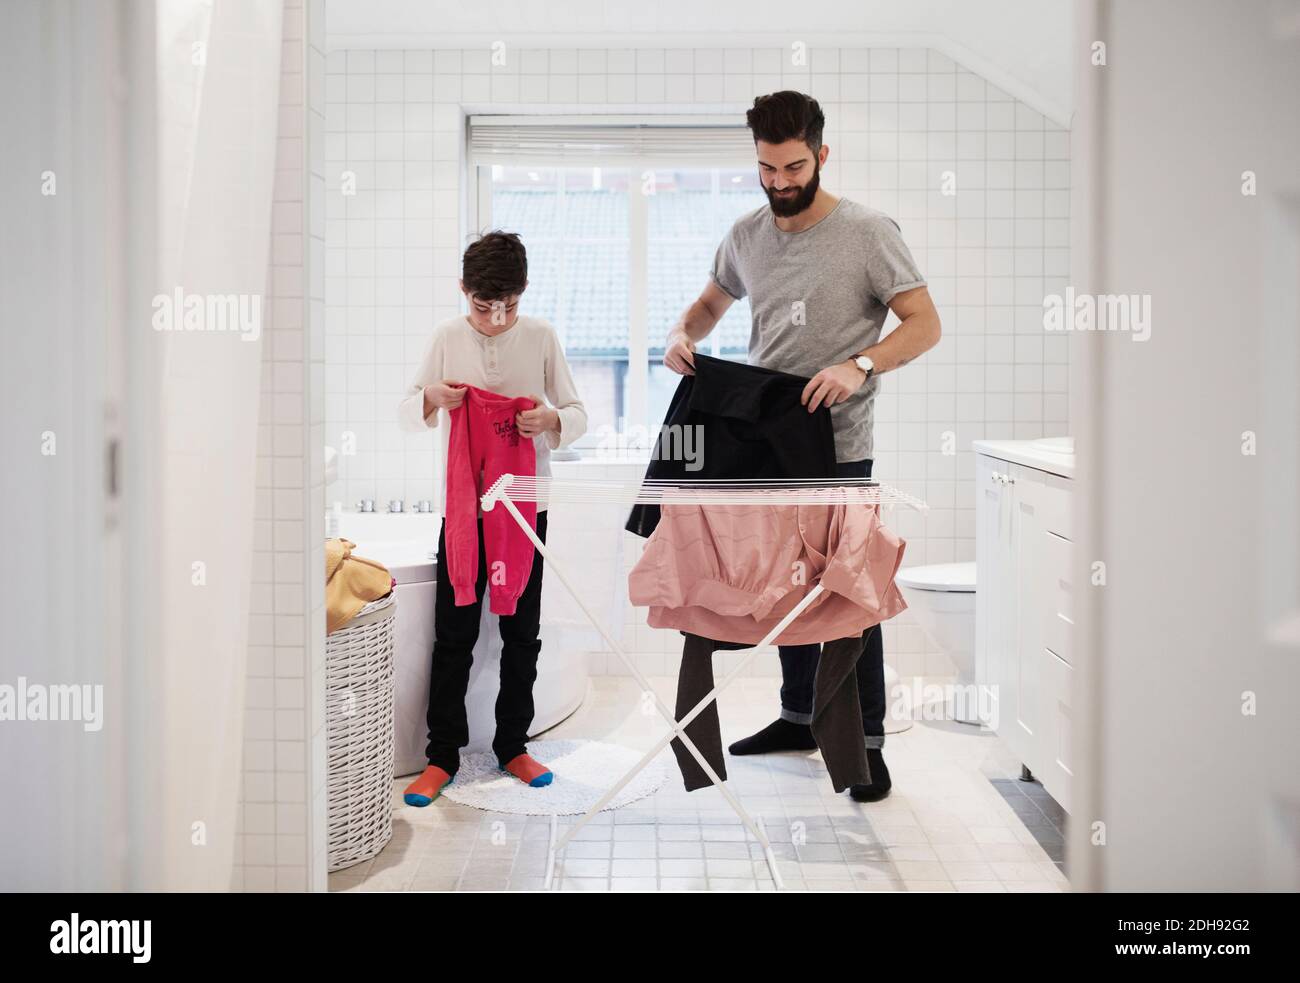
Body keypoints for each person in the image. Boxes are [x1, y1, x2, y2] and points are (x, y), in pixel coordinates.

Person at [662, 91, 941, 802]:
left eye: (793, 166)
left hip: (839, 441)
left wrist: (861, 365)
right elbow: (707, 305)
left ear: (821, 154)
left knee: (850, 589)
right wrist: (681, 336)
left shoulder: (868, 232)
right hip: (764, 438)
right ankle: (795, 717)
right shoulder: (747, 234)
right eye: (766, 168)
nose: (780, 182)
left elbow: (923, 323)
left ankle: (865, 743)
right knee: (782, 581)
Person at [397, 231, 588, 805]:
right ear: (464, 291)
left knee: (520, 634)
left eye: (508, 305)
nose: (496, 317)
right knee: (452, 635)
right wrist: (431, 396)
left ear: (523, 293)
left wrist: (551, 420)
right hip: (463, 512)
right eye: (484, 306)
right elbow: (407, 413)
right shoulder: (446, 337)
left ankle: (513, 746)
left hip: (528, 510)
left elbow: (578, 413)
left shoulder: (542, 336)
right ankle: (440, 757)